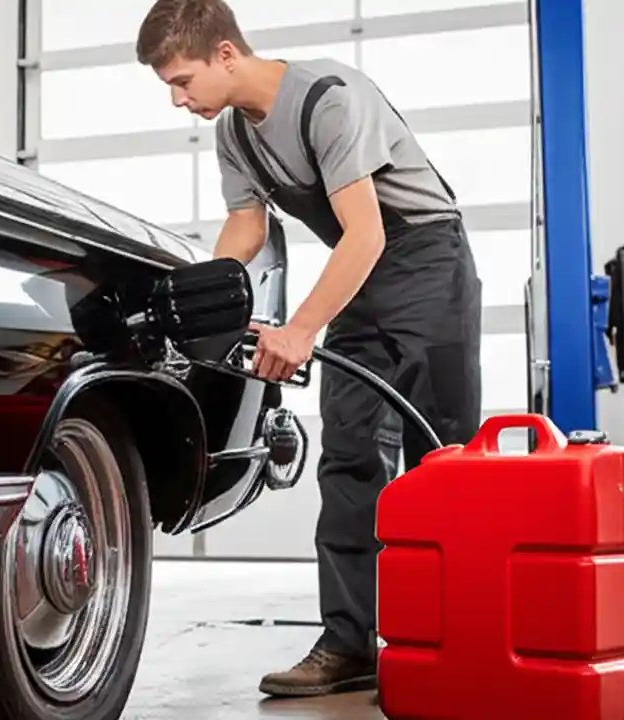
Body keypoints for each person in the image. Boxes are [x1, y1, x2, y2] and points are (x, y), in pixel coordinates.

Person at [136, 0, 483, 699]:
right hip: (356, 273)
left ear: (226, 54)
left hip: (426, 260)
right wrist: (208, 303)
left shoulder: (329, 99)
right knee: (350, 457)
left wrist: (299, 331)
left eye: (183, 81)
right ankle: (349, 643)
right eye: (169, 87)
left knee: (443, 462)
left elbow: (368, 234)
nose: (179, 100)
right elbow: (245, 227)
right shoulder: (234, 130)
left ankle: (462, 641)